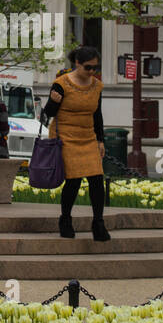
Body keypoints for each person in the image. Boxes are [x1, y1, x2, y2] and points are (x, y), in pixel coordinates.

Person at [39, 46, 110, 242]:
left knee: (97, 179)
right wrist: (53, 102)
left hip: (87, 135)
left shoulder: (97, 86)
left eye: (96, 68)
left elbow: (97, 114)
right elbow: (48, 114)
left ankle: (98, 223)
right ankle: (66, 220)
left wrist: (100, 139)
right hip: (66, 136)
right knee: (74, 180)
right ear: (77, 63)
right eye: (88, 67)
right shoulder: (61, 84)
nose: (92, 72)